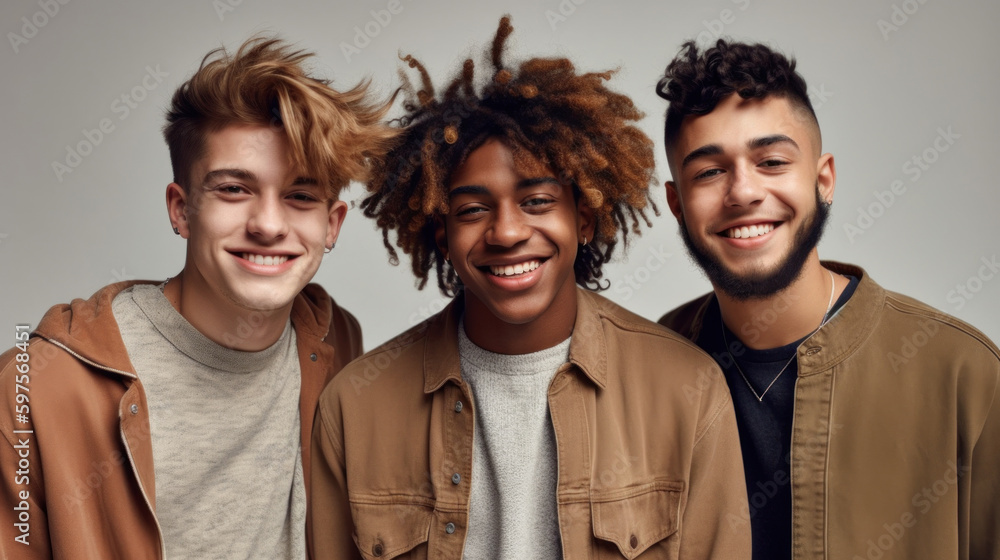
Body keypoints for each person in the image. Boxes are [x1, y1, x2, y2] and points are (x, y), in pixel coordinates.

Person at [310, 16, 750, 559]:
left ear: (584, 219)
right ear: (441, 233)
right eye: (472, 209)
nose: (508, 232)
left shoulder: (689, 392)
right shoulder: (354, 407)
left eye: (537, 201)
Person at [0, 36, 396, 559]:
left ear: (332, 223)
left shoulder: (334, 340)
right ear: (181, 210)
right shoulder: (32, 389)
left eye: (301, 196)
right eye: (234, 189)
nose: (269, 225)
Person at [655, 39, 1000, 560]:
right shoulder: (651, 367)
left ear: (823, 181)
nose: (743, 192)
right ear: (677, 204)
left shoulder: (962, 373)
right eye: (709, 171)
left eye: (771, 161)